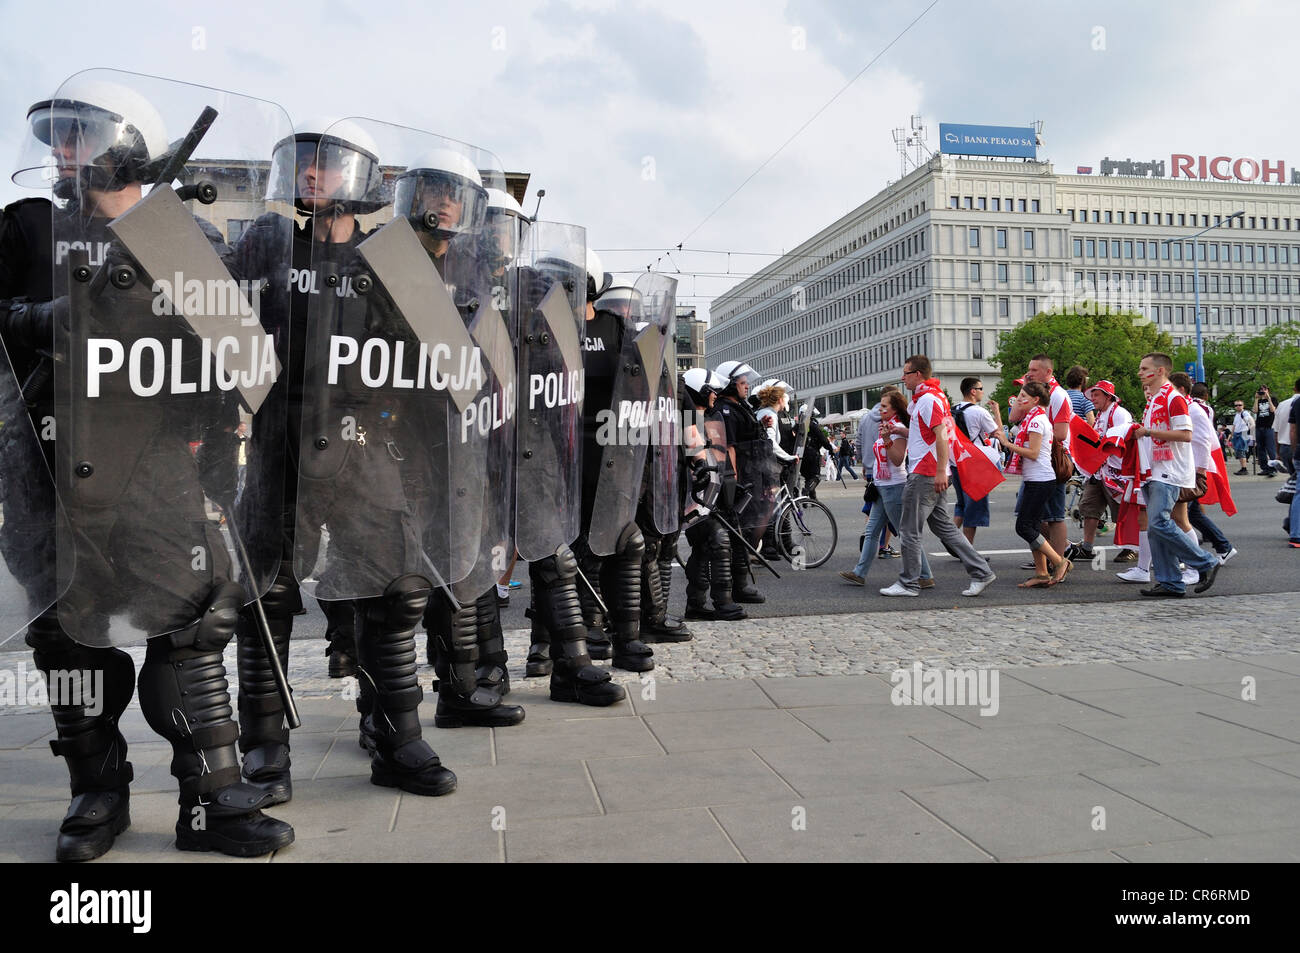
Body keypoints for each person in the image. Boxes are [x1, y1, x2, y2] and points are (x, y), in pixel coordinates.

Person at [5, 75, 294, 858]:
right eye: (57, 136)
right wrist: (39, 322)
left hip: (161, 471)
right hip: (52, 474)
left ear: (129, 144)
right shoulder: (26, 231)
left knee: (194, 625)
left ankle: (217, 801)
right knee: (66, 641)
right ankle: (96, 794)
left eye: (83, 134)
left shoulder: (180, 239)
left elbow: (243, 369)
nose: (65, 150)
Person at [880, 355, 995, 598]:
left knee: (910, 530)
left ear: (918, 374)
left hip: (925, 473)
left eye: (906, 373)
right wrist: (900, 429)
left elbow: (941, 435)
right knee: (945, 528)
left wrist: (941, 470)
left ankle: (909, 583)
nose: (903, 378)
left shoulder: (928, 400)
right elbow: (928, 434)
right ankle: (981, 572)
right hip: (933, 472)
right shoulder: (932, 397)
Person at [1133, 353, 1220, 597]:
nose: (1139, 372)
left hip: (1169, 471)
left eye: (1144, 368)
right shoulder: (1155, 399)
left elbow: (1186, 434)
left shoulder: (1173, 398)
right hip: (1155, 470)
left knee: (1159, 522)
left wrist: (1147, 431)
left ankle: (1205, 562)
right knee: (1155, 527)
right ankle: (1170, 582)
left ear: (1160, 371)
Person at [839, 390, 933, 588]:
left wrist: (888, 438)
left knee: (905, 533)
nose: (880, 410)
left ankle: (925, 574)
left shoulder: (897, 428)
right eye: (880, 406)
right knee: (872, 530)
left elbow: (898, 458)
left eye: (884, 407)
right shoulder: (887, 426)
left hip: (895, 486)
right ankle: (859, 573)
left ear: (895, 409)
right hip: (883, 486)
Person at [997, 382, 1072, 587]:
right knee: (1033, 526)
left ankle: (1059, 562)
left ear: (1035, 400)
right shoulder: (1033, 418)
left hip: (1041, 480)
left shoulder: (1037, 420)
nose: (1019, 400)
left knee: (1024, 527)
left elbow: (1033, 453)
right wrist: (997, 412)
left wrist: (1007, 444)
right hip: (1036, 480)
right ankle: (1041, 573)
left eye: (1023, 396)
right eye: (1019, 396)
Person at [1007, 355, 1074, 570]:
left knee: (1054, 516)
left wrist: (1035, 433)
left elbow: (1062, 433)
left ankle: (1058, 560)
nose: (1029, 373)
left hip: (1052, 460)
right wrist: (1025, 388)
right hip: (1037, 462)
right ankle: (1047, 559)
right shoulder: (1033, 393)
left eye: (1034, 370)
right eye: (1028, 369)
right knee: (1032, 518)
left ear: (1048, 372)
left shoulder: (1059, 395)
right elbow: (1013, 416)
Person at [1067, 380, 1133, 563]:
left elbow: (1126, 440)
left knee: (1121, 512)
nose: (1093, 399)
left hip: (1115, 472)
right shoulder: (1101, 415)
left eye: (1097, 395)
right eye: (1093, 395)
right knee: (1089, 507)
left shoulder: (1120, 414)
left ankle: (1131, 547)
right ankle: (1087, 547)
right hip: (1097, 472)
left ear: (1108, 396)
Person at [1175, 376, 1237, 564]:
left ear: (1183, 390)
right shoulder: (1193, 408)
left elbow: (1203, 441)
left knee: (1180, 516)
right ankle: (1222, 547)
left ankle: (1192, 559)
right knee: (1190, 514)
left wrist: (1200, 472)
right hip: (1188, 466)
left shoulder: (1195, 409)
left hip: (1193, 468)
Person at [950, 377, 1002, 544]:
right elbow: (998, 434)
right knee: (973, 508)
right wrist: (997, 413)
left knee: (961, 504)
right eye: (980, 388)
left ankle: (950, 538)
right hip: (974, 464)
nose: (982, 391)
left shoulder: (952, 410)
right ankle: (967, 551)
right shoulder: (979, 412)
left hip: (956, 462)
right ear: (972, 391)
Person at [800, 407, 835, 500]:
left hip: (801, 455)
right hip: (812, 454)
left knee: (808, 477)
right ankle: (806, 492)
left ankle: (813, 498)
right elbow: (822, 439)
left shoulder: (799, 425)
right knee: (815, 477)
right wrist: (830, 449)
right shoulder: (812, 425)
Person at [1275, 379, 1299, 477]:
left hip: (1285, 447)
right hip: (1296, 447)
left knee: (1294, 480)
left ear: (1294, 389)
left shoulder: (1282, 405)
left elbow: (1276, 431)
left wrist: (1278, 453)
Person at [1254, 385, 1278, 477]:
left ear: (1268, 390)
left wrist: (1268, 398)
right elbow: (1255, 411)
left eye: (1265, 389)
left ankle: (1273, 469)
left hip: (1269, 427)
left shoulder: (1273, 399)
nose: (1263, 391)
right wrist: (1256, 399)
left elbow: (1273, 410)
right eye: (1261, 390)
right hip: (1259, 427)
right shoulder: (1259, 400)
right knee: (1260, 449)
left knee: (1270, 449)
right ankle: (1265, 468)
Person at [1231, 400, 1254, 475]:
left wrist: (1250, 431)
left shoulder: (1245, 413)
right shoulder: (1237, 414)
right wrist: (1232, 434)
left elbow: (1252, 422)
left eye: (1239, 405)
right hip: (1237, 433)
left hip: (1243, 432)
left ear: (1243, 406)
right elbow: (1234, 425)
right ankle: (1243, 468)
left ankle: (1244, 469)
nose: (1238, 406)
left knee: (1241, 450)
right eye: (1236, 405)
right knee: (1238, 450)